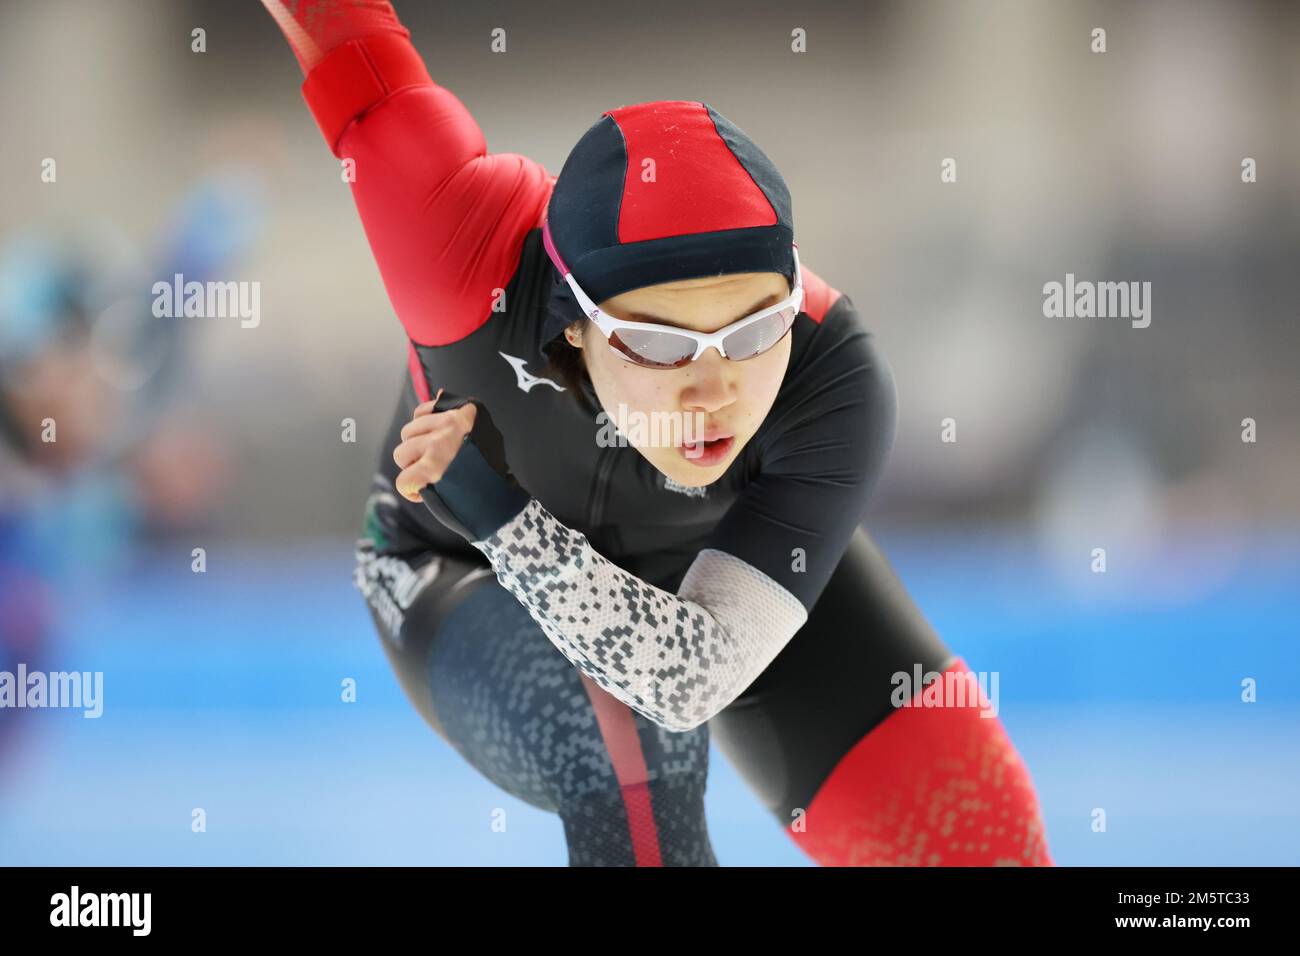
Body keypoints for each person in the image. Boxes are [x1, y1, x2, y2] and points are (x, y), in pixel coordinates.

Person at [260, 0, 1054, 866]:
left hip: (688, 558)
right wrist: (490, 534)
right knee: (630, 752)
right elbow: (343, 36)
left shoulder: (835, 377)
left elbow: (693, 672)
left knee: (978, 839)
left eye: (753, 332)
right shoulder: (459, 244)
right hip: (456, 562)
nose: (714, 391)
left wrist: (505, 515)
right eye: (662, 344)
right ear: (573, 325)